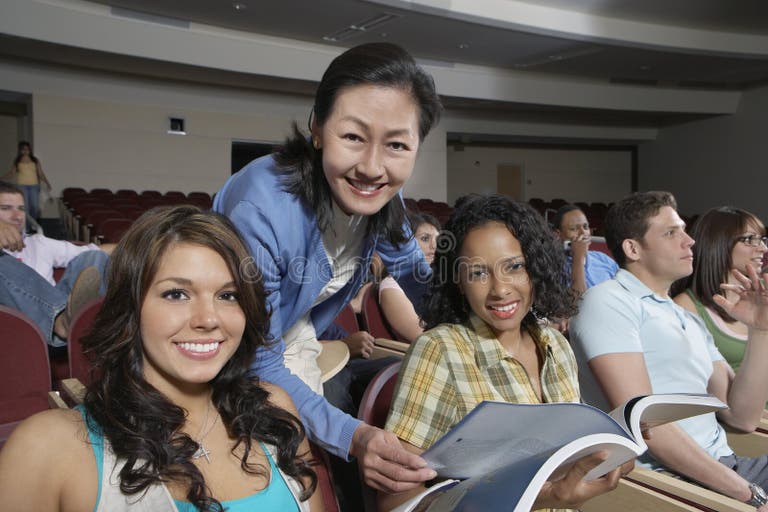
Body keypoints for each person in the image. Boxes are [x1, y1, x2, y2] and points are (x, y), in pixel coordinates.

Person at [214, 42, 440, 492]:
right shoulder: (262, 210)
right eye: (353, 137)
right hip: (239, 344)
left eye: (396, 144)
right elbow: (256, 359)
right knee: (291, 477)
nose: (373, 167)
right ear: (317, 127)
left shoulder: (383, 194)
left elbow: (418, 279)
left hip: (292, 330)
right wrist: (353, 437)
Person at [0, 205, 324, 511]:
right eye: (176, 294)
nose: (208, 319)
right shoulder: (47, 447)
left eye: (228, 296)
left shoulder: (274, 410)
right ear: (130, 307)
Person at [381, 194, 629, 511]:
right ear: (459, 281)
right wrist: (541, 496)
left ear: (536, 268)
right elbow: (396, 501)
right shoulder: (440, 351)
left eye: (514, 267)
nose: (500, 289)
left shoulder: (556, 346)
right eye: (478, 273)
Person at [569, 191, 768, 509]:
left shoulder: (682, 315)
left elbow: (741, 417)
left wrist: (760, 329)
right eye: (671, 233)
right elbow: (646, 423)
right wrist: (749, 494)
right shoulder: (609, 301)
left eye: (684, 231)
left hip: (726, 464)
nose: (689, 241)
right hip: (681, 482)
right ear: (633, 248)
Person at [0, 181, 114, 349]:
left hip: (60, 320)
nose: (17, 216)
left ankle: (70, 321)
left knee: (94, 257)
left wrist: (143, 244)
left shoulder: (39, 242)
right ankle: (62, 321)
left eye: (22, 209)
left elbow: (96, 251)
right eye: (6, 208)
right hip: (13, 326)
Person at [672, 206, 768, 373]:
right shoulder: (686, 307)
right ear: (718, 243)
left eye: (762, 240)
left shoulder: (764, 291)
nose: (763, 249)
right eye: (750, 239)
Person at [377, 211, 440, 342]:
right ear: (407, 244)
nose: (434, 246)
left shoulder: (437, 278)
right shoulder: (391, 285)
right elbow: (423, 338)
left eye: (438, 240)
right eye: (425, 238)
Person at [552, 204, 617, 294]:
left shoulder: (602, 258)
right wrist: (578, 258)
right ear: (557, 235)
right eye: (574, 229)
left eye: (585, 227)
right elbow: (576, 303)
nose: (583, 232)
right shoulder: (553, 266)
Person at [3, 141, 52, 230]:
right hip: (22, 186)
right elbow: (12, 173)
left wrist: (47, 183)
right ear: (20, 150)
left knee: (35, 207)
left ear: (30, 150)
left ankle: (32, 223)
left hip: (34, 186)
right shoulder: (17, 160)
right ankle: (28, 228)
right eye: (23, 149)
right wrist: (2, 177)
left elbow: (40, 173)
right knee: (26, 208)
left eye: (27, 149)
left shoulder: (35, 160)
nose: (25, 151)